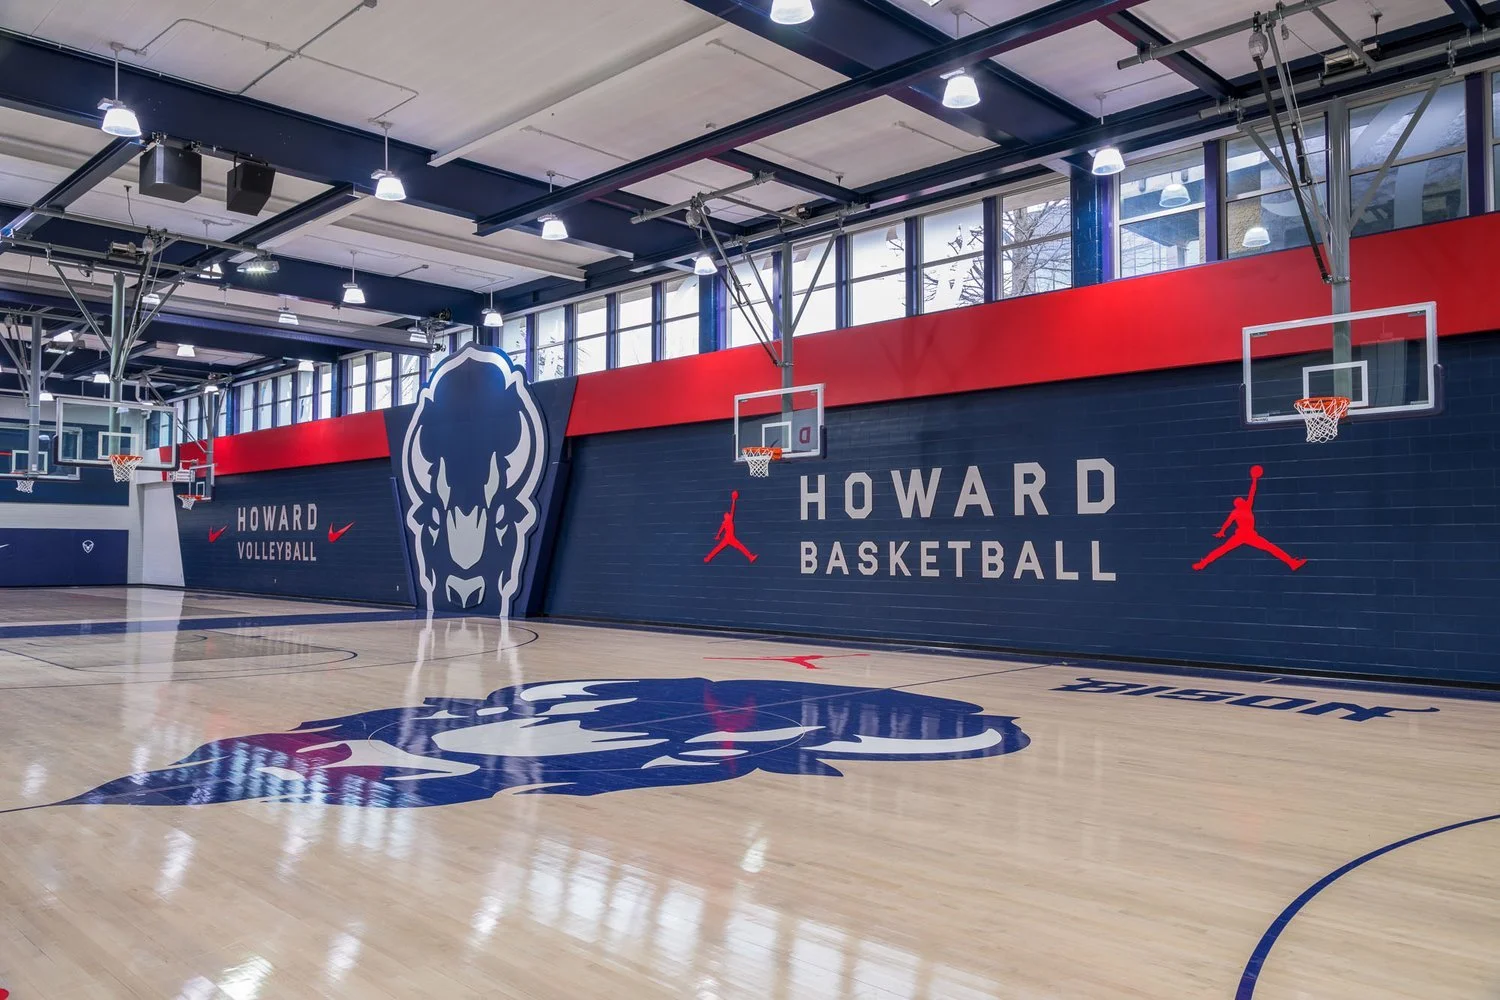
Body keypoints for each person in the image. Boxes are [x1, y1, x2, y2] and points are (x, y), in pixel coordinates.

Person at [1193, 465, 1306, 572]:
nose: (1241, 500)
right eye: (1239, 500)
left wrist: (1255, 479)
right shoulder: (1240, 510)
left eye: (1241, 499)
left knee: (1269, 548)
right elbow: (1227, 523)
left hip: (1249, 535)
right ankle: (1203, 563)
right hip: (1243, 535)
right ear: (1238, 504)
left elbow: (1252, 491)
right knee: (1223, 550)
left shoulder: (1245, 507)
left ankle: (1292, 563)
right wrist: (1221, 531)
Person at [704, 490, 757, 564]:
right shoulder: (729, 520)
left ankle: (708, 558)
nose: (728, 514)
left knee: (718, 548)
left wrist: (718, 536)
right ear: (726, 516)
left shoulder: (725, 522)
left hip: (728, 538)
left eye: (727, 514)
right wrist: (734, 500)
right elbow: (732, 509)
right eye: (727, 514)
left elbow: (720, 530)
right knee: (740, 547)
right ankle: (750, 557)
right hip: (730, 538)